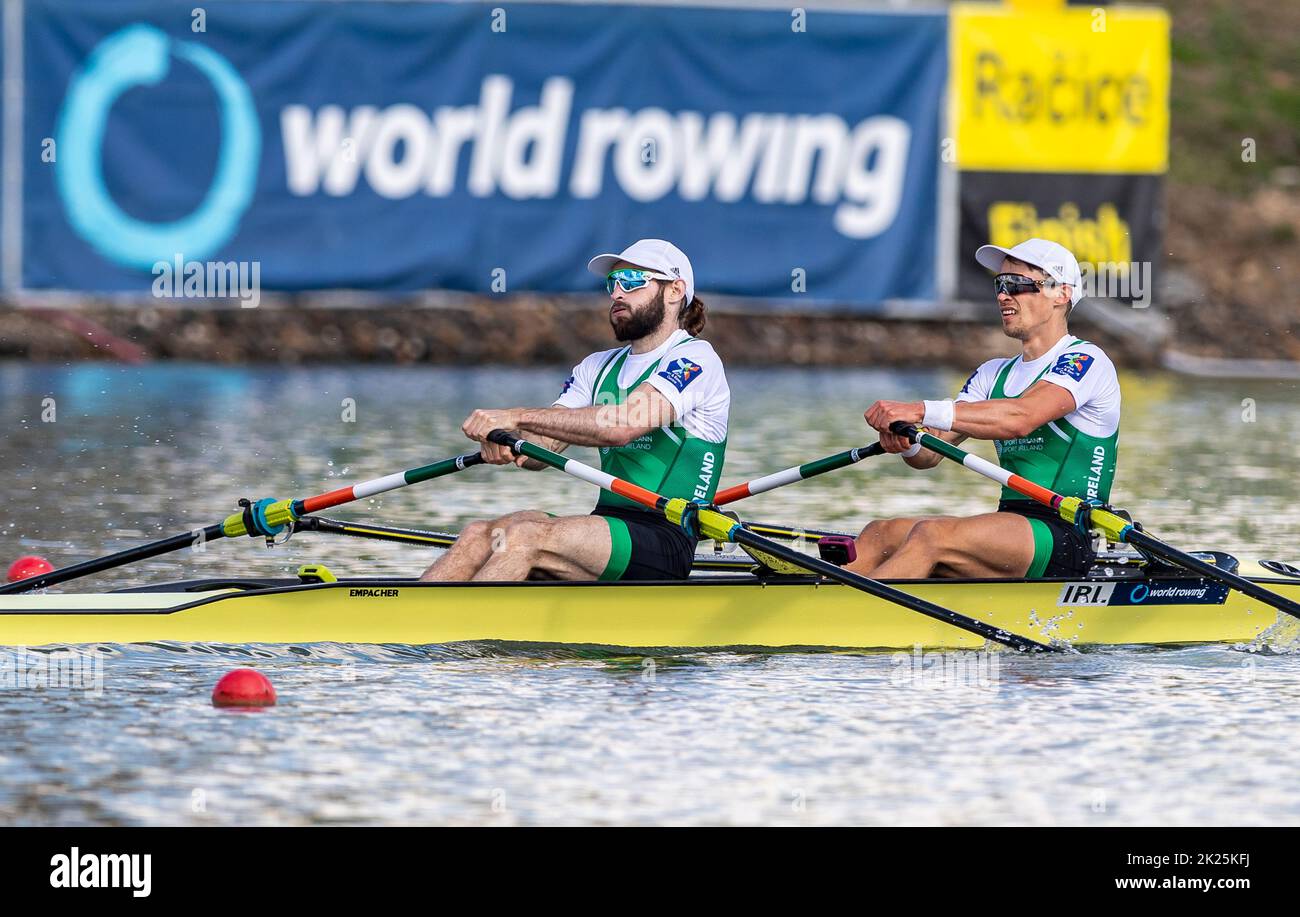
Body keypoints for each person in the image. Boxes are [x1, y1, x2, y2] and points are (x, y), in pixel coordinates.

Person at [420, 239, 729, 582]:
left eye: (632, 281)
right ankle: (410, 624)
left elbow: (623, 425)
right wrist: (507, 438)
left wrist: (516, 415)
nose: (616, 294)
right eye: (613, 283)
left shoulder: (696, 359)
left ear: (674, 290)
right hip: (609, 526)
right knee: (480, 534)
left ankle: (468, 631)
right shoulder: (596, 366)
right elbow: (540, 452)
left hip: (666, 536)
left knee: (525, 535)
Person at [851, 238, 1120, 579]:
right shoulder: (992, 372)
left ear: (1061, 294)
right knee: (881, 533)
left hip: (1070, 532)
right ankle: (814, 602)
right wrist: (907, 440)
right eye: (1000, 284)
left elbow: (1020, 418)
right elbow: (929, 454)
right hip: (1012, 525)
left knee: (931, 536)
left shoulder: (1085, 360)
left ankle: (847, 617)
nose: (1003, 295)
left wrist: (918, 409)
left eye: (1017, 285)